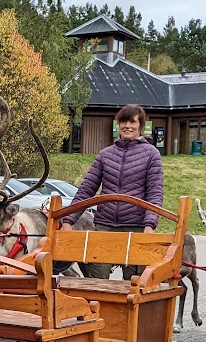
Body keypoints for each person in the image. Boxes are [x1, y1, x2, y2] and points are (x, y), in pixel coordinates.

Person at [60, 104, 165, 279]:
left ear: (141, 126)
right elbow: (86, 190)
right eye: (123, 122)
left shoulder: (151, 154)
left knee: (134, 282)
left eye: (132, 122)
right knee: (96, 277)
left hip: (136, 227)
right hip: (105, 225)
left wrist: (150, 225)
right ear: (118, 125)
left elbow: (155, 192)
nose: (127, 126)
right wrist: (68, 220)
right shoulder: (105, 155)